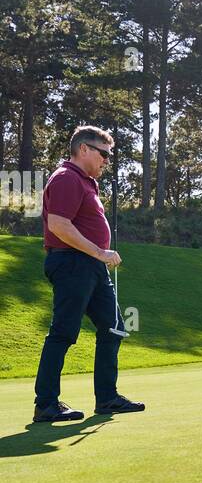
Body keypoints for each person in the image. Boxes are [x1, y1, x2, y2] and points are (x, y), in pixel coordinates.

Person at [32, 126, 145, 422]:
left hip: (90, 266)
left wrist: (98, 257)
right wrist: (99, 252)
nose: (107, 160)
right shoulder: (67, 177)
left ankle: (107, 398)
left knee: (114, 326)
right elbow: (58, 225)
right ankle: (45, 404)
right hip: (72, 264)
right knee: (64, 332)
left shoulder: (87, 183)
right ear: (84, 149)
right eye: (103, 153)